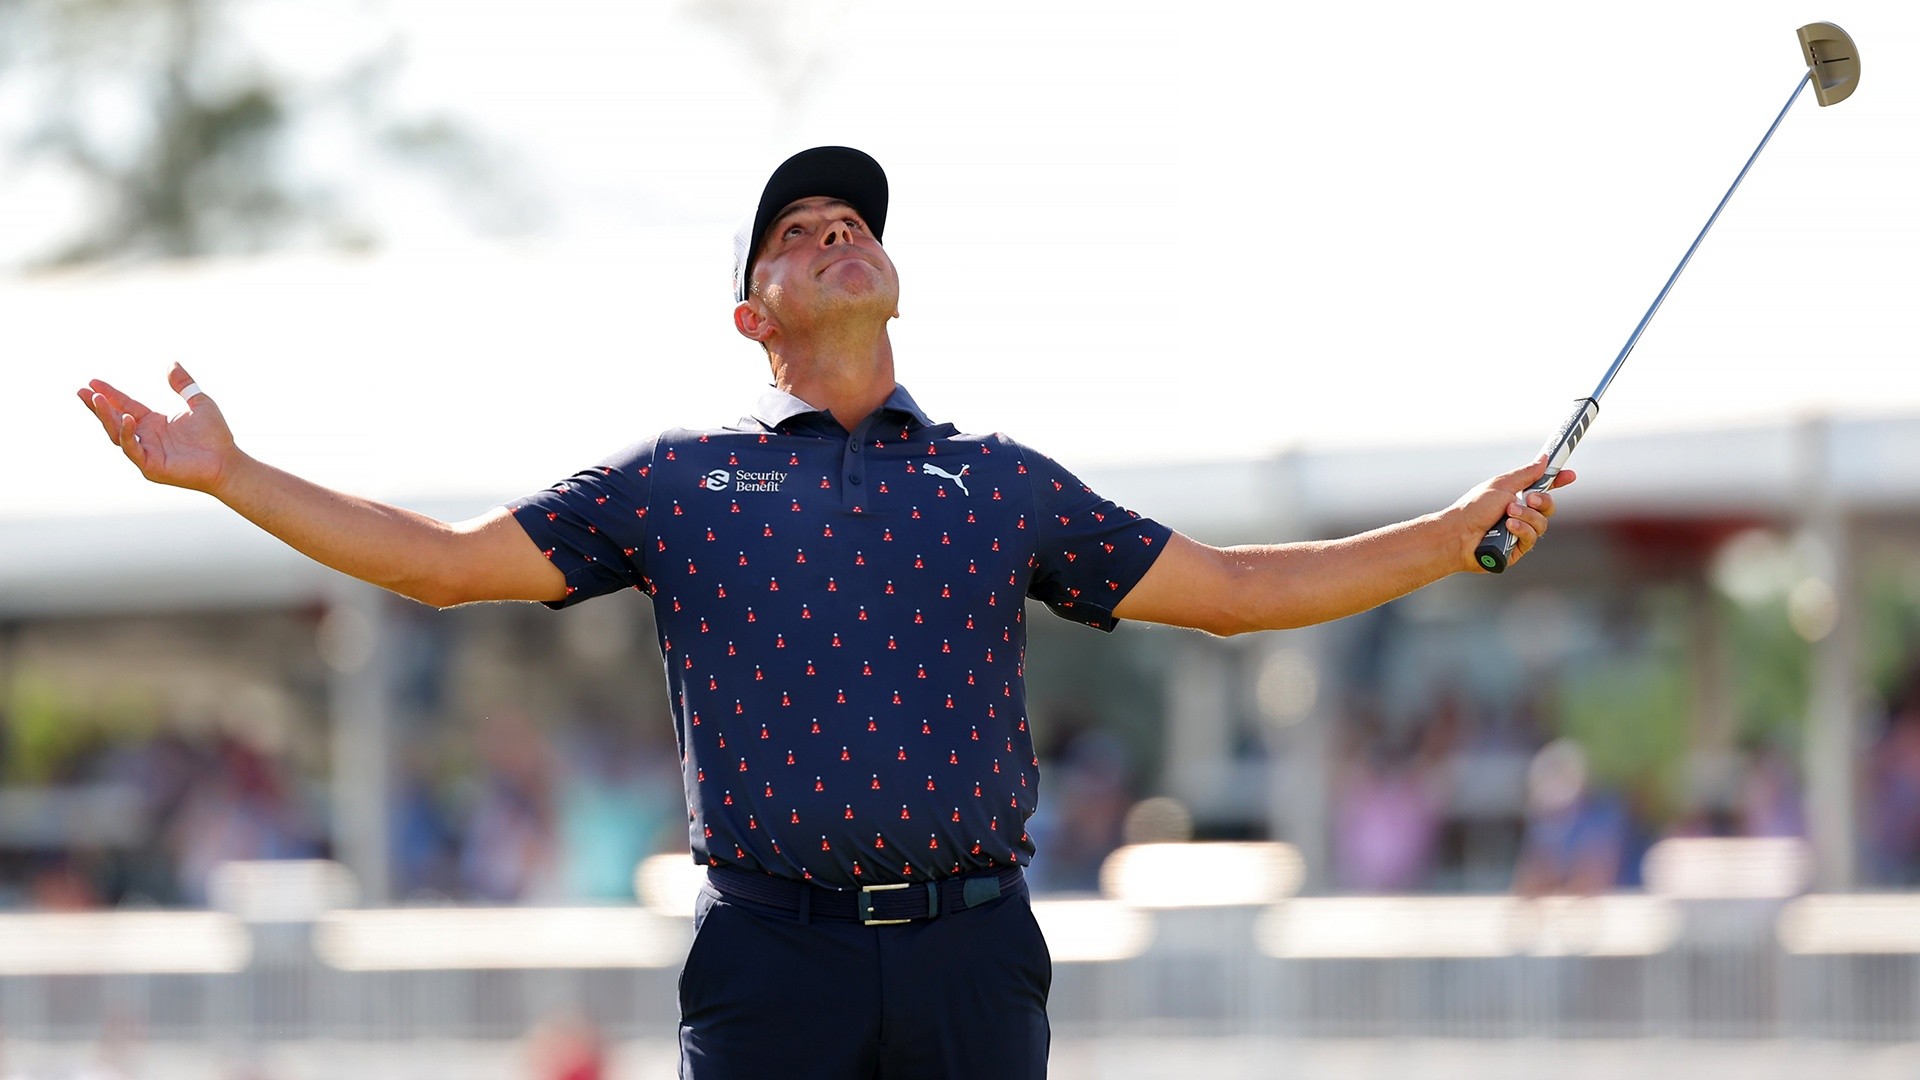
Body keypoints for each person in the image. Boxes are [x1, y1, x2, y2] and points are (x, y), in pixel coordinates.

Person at [77, 146, 1572, 1079]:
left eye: (853, 220)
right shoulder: (680, 481)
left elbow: (1238, 593)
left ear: (893, 277)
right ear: (757, 313)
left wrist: (1455, 537)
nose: (837, 233)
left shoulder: (1000, 482)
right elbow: (446, 564)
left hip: (973, 956)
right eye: (799, 231)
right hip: (770, 959)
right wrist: (232, 475)